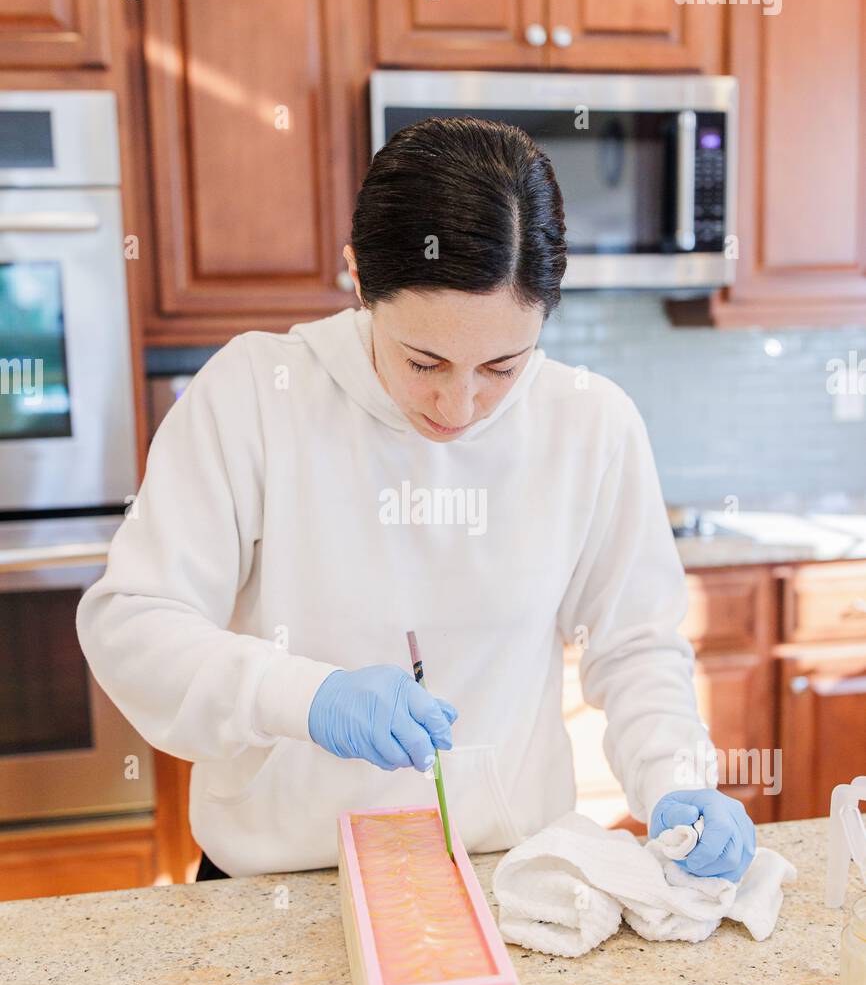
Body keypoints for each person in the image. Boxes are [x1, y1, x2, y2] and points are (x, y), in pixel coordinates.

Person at [77, 116, 755, 884]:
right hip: (279, 887)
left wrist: (677, 777)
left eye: (502, 366)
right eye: (424, 360)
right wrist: (308, 695)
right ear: (360, 278)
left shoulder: (589, 423)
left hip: (509, 880)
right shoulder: (255, 396)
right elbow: (132, 625)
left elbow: (634, 645)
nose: (459, 406)